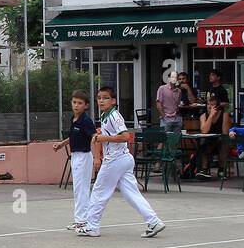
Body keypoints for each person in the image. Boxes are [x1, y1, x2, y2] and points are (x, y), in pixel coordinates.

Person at [79, 87, 165, 238]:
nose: (101, 101)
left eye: (105, 98)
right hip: (123, 160)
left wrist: (104, 138)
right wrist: (103, 134)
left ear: (113, 101)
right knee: (131, 193)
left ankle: (92, 226)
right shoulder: (106, 115)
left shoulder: (114, 116)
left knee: (99, 192)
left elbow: (125, 136)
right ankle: (153, 221)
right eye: (99, 98)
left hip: (115, 160)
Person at [53, 89, 96, 231]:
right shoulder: (74, 119)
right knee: (78, 189)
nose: (76, 105)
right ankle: (81, 219)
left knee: (82, 189)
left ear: (86, 105)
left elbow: (95, 137)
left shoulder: (86, 121)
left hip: (84, 157)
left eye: (79, 103)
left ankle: (82, 221)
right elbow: (73, 136)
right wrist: (61, 144)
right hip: (75, 156)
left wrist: (97, 157)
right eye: (74, 102)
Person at [195, 93, 231, 180]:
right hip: (208, 140)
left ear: (217, 107)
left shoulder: (224, 115)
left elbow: (225, 132)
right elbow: (204, 131)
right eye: (208, 104)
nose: (209, 107)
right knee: (203, 142)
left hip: (219, 139)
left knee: (224, 142)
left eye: (212, 105)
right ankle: (205, 170)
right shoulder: (203, 116)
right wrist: (210, 116)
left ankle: (222, 169)